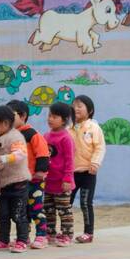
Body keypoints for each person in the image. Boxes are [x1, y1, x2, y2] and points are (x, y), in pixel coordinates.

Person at [9, 100, 50, 248]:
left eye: (11, 116)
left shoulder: (32, 134)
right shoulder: (10, 136)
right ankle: (24, 237)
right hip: (19, 180)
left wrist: (40, 171)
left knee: (36, 209)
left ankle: (41, 236)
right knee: (22, 210)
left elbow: (43, 153)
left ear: (23, 116)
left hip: (35, 180)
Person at [0, 104, 30, 252]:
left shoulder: (15, 136)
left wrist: (4, 159)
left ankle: (22, 240)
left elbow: (20, 154)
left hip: (18, 183)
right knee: (3, 214)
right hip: (4, 184)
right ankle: (3, 240)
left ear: (6, 123)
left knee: (19, 214)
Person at [71, 95, 105, 244]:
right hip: (70, 173)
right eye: (74, 105)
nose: (76, 108)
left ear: (89, 110)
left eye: (80, 106)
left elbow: (100, 147)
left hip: (88, 172)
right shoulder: (68, 127)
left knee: (85, 202)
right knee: (65, 202)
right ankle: (65, 231)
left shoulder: (93, 128)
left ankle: (88, 233)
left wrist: (95, 163)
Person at [43, 102, 77, 246]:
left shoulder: (66, 138)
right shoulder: (45, 136)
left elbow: (70, 160)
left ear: (63, 120)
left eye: (54, 117)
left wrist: (67, 179)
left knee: (64, 209)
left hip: (63, 182)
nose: (50, 119)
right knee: (48, 209)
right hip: (48, 182)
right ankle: (50, 233)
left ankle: (67, 235)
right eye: (49, 116)